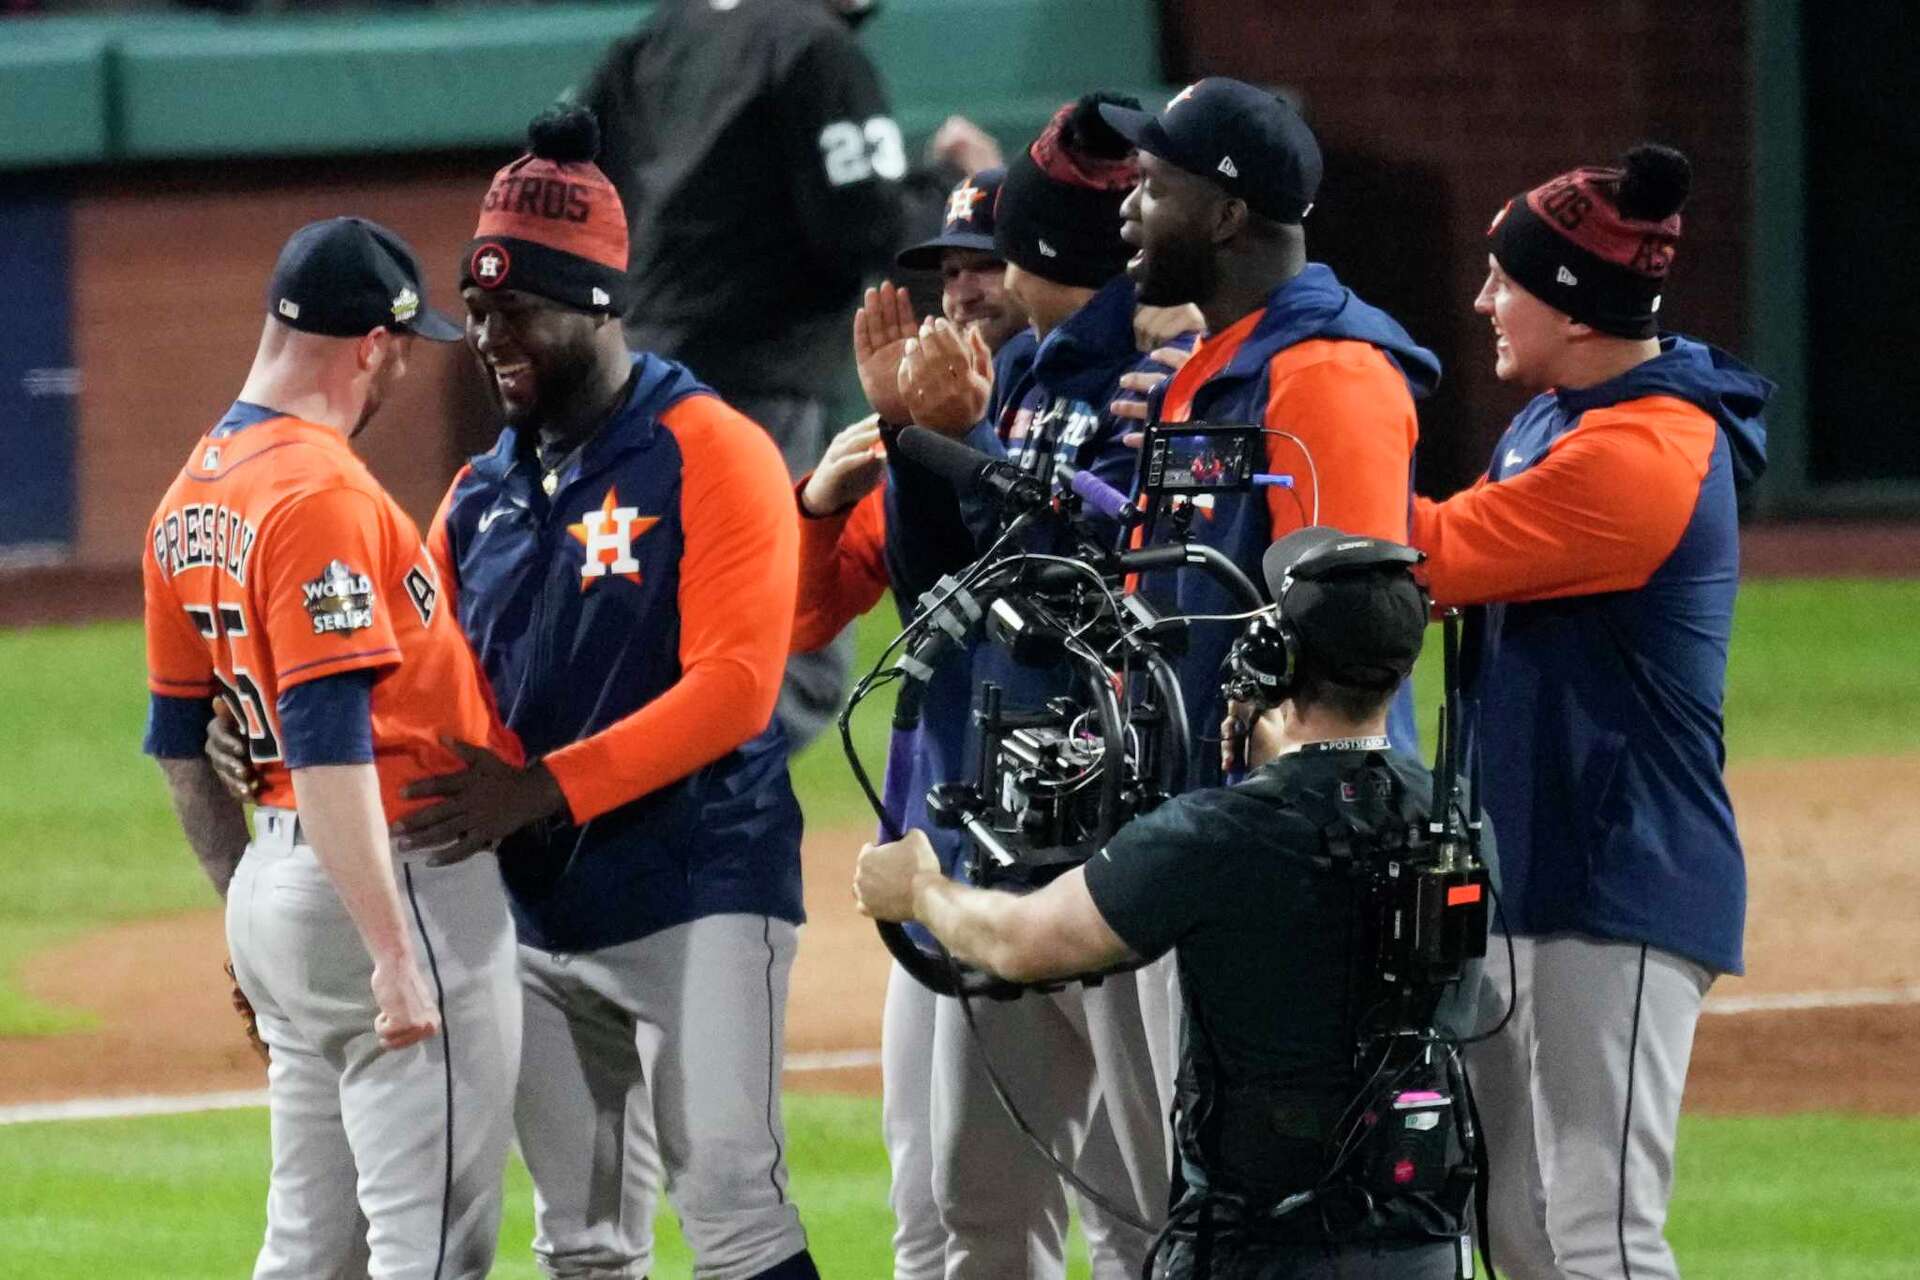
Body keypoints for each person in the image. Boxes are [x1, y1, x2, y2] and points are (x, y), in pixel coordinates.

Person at [201, 108, 818, 1279]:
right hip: (534, 904)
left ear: (596, 303)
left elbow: (738, 688)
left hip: (703, 878)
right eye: (475, 313)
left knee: (733, 1195)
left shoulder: (711, 446)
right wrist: (276, 744)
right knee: (584, 1236)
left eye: (515, 309)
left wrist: (541, 788)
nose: (486, 337)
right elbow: (405, 695)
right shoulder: (477, 496)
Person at [855, 525, 1484, 1279]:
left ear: (1273, 661)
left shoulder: (1217, 836)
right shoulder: (1459, 823)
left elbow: (1020, 941)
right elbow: (1340, 812)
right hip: (1418, 1247)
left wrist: (921, 891)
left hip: (1256, 1253)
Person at [1410, 144, 1772, 1280]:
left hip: (1615, 878)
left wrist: (1314, 435)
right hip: (1531, 869)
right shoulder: (1560, 416)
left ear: (1569, 303)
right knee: (1517, 1231)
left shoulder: (1642, 451)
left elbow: (1423, 557)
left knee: (1600, 1232)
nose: (1482, 303)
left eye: (1502, 280)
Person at [144, 216, 522, 1279]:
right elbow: (326, 731)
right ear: (372, 344)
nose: (402, 366)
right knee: (429, 1246)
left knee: (311, 1246)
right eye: (405, 345)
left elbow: (181, 744)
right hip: (388, 877)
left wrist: (247, 907)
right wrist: (395, 952)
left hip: (281, 878)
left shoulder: (189, 496)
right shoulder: (319, 491)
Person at [794, 167, 1147, 1280]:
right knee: (945, 1209)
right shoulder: (926, 439)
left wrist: (962, 432)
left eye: (985, 263)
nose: (962, 291)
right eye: (946, 272)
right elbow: (809, 612)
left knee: (1138, 1210)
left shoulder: (1113, 407)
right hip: (954, 847)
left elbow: (1070, 578)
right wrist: (838, 493)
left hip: (1101, 847)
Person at [579, 0, 1000, 750]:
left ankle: (630, 802)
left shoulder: (661, 34)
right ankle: (692, 806)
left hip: (631, 380)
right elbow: (862, 230)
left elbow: (580, 180)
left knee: (662, 635)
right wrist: (952, 185)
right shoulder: (814, 47)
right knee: (788, 652)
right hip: (751, 391)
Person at [1097, 79, 1442, 770]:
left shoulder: (1329, 376)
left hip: (1286, 828)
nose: (1130, 211)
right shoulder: (1213, 363)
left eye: (1156, 189)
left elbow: (1348, 645)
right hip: (1201, 808)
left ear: (1227, 219)